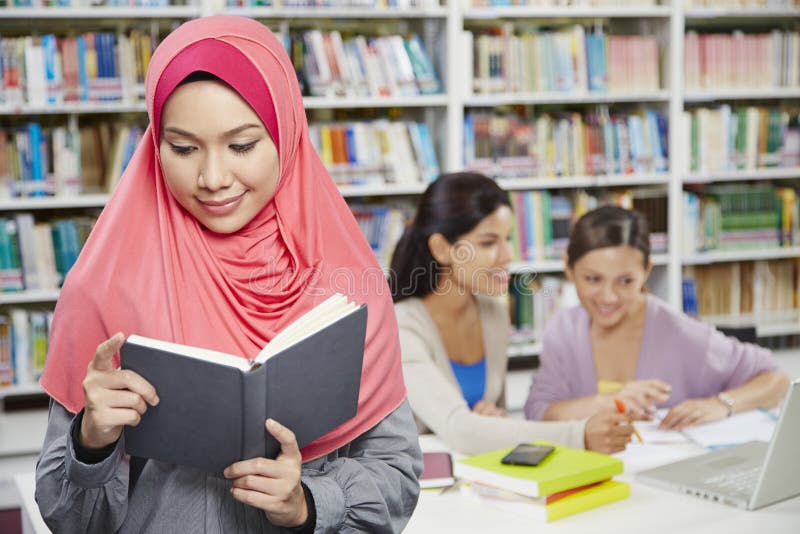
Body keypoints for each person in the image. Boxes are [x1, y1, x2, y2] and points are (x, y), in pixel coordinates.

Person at [35, 15, 422, 533]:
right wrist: (91, 440)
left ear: (285, 136)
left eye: (241, 146)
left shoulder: (349, 284)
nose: (213, 179)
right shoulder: (103, 287)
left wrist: (308, 502)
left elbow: (397, 476)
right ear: (155, 147)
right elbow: (64, 516)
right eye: (183, 148)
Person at [390, 172, 634, 456]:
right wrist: (579, 435)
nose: (507, 255)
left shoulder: (494, 312)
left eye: (507, 239)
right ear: (442, 249)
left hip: (479, 477)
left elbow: (492, 421)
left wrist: (494, 420)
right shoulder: (401, 326)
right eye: (488, 243)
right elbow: (461, 430)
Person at [524, 206, 790, 430]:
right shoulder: (563, 328)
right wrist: (606, 402)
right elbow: (538, 411)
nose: (608, 297)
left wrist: (720, 404)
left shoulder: (678, 332)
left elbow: (776, 380)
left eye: (626, 281)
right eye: (593, 279)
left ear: (646, 271)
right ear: (569, 268)